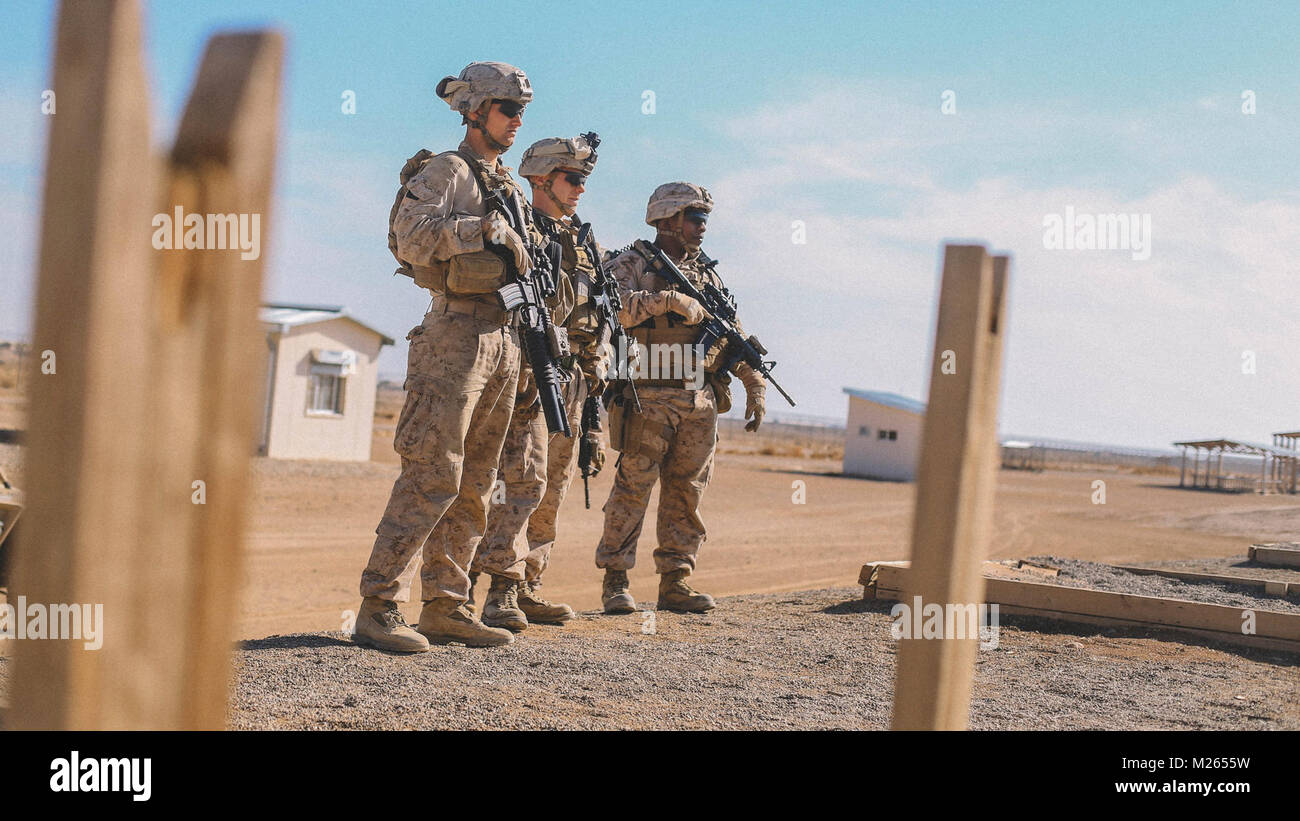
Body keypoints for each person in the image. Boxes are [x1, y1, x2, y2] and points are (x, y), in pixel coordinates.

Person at [353, 61, 536, 651]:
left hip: (503, 340)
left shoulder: (505, 181)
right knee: (433, 473)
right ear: (476, 110)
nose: (516, 121)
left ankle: (446, 604)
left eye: (521, 111)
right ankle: (380, 604)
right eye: (508, 109)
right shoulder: (448, 171)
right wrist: (481, 230)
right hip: (454, 337)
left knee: (477, 481)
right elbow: (411, 236)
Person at [596, 182, 766, 614]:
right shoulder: (632, 263)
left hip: (699, 398)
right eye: (695, 218)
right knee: (633, 487)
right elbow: (608, 310)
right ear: (668, 219)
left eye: (704, 219)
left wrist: (754, 383)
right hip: (646, 394)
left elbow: (732, 338)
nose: (702, 227)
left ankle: (676, 580)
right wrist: (665, 301)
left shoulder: (709, 276)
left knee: (687, 491)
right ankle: (616, 581)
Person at [469, 135, 611, 631]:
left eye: (583, 182)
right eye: (573, 180)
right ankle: (492, 590)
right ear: (541, 179)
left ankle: (528, 583)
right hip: (530, 369)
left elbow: (598, 321)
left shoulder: (586, 244)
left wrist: (594, 404)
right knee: (518, 481)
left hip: (573, 381)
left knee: (554, 486)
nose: (580, 191)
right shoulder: (522, 228)